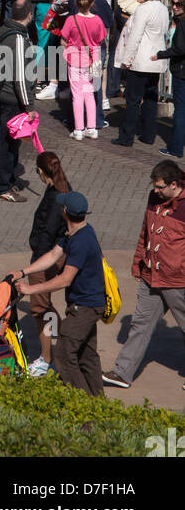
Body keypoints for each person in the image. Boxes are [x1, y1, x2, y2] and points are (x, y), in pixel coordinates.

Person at [14, 190, 106, 397]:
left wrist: (30, 289)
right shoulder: (74, 233)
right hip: (85, 304)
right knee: (86, 355)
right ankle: (99, 404)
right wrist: (22, 272)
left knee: (64, 356)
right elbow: (53, 255)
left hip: (86, 307)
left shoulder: (82, 241)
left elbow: (65, 279)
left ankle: (83, 407)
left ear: (65, 211)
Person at [103, 160, 185, 390]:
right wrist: (138, 261)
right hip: (152, 275)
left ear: (173, 184)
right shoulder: (154, 198)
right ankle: (122, 373)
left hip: (178, 280)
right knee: (140, 324)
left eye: (160, 187)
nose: (155, 191)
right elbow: (144, 232)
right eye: (154, 186)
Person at [22, 151, 72, 377]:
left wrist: (35, 264)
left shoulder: (55, 197)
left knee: (39, 309)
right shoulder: (62, 187)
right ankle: (65, 343)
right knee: (46, 306)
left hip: (45, 259)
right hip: (53, 255)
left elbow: (48, 233)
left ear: (41, 172)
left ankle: (46, 358)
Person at [0, 0, 38, 204]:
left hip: (3, 96)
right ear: (30, 14)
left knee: (11, 143)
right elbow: (20, 76)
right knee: (7, 145)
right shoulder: (17, 38)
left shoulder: (5, 30)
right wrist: (29, 107)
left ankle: (8, 180)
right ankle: (1, 187)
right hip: (13, 99)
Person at [112, 0, 169, 148]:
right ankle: (148, 135)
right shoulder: (162, 9)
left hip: (141, 61)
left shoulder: (143, 10)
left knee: (133, 100)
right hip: (156, 61)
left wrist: (127, 60)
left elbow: (134, 37)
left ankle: (126, 137)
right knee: (150, 99)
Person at [60, 0, 107, 140]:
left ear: (76, 2)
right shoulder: (98, 20)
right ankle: (91, 128)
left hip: (74, 60)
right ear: (92, 3)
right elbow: (100, 39)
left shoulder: (70, 20)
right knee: (89, 94)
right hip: (93, 60)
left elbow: (63, 40)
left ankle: (78, 129)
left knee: (76, 94)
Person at [155, 0, 185, 158]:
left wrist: (161, 54)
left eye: (178, 4)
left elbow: (179, 48)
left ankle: (176, 148)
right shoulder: (178, 21)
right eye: (173, 4)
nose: (174, 7)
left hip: (181, 72)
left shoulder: (182, 24)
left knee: (180, 110)